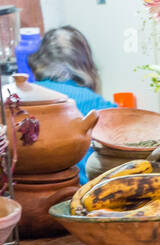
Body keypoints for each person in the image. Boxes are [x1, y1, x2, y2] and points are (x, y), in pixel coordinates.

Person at [27, 26, 117, 181]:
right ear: (86, 65)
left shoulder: (20, 101)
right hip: (84, 200)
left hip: (26, 199)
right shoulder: (104, 108)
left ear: (39, 62)